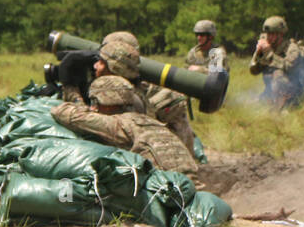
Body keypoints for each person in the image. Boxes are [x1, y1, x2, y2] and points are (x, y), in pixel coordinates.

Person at [50, 75, 198, 176]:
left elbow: (62, 112)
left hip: (168, 188)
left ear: (107, 102)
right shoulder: (149, 121)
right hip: (189, 182)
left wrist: (76, 99)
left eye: (95, 102)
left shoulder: (118, 124)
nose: (94, 107)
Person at [249, 15, 304, 109]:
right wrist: (259, 54)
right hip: (271, 91)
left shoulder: (292, 48)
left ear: (280, 34)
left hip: (292, 91)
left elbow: (289, 67)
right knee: (252, 105)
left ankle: (281, 109)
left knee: (277, 73)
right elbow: (254, 71)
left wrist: (269, 53)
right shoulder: (267, 47)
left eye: (272, 34)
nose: (268, 37)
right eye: (267, 34)